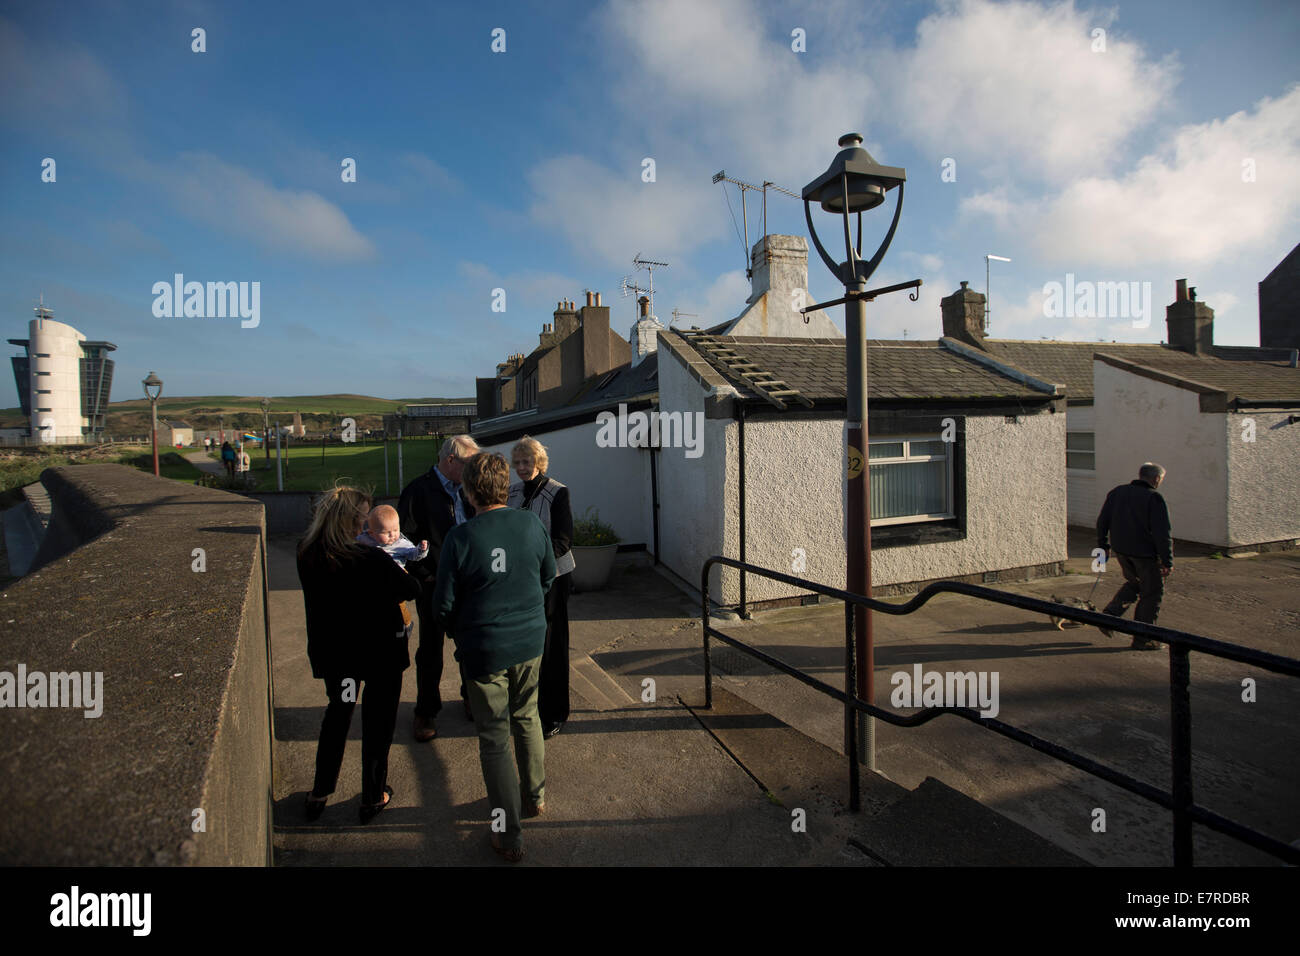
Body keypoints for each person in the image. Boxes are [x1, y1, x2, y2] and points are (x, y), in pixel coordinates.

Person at [433, 453, 555, 862]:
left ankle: (508, 834)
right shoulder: (532, 523)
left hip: (484, 650)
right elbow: (548, 577)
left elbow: (442, 606)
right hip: (531, 642)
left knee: (494, 739)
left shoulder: (461, 538)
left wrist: (459, 633)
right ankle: (534, 797)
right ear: (506, 486)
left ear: (468, 491)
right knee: (528, 716)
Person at [297, 486, 422, 823]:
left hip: (338, 657)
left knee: (338, 716)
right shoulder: (372, 560)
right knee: (378, 724)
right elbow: (411, 589)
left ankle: (319, 792)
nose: (368, 523)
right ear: (353, 521)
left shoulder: (307, 552)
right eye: (364, 516)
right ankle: (372, 796)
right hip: (380, 655)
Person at [397, 434, 479, 740]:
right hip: (434, 584)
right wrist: (425, 572)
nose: (474, 470)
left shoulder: (470, 490)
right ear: (450, 461)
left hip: (467, 584)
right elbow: (402, 539)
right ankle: (426, 711)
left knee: (469, 644)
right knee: (430, 650)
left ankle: (470, 698)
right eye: (469, 464)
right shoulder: (418, 491)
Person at [508, 436, 574, 737]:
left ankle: (554, 713)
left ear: (539, 462)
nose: (522, 467)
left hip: (553, 580)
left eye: (527, 462)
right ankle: (526, 707)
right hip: (520, 581)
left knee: (551, 645)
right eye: (518, 462)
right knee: (525, 647)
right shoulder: (511, 493)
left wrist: (535, 564)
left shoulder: (557, 492)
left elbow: (562, 540)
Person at [1096, 462, 1173, 650]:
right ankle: (1143, 638)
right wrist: (1167, 560)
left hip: (1122, 551)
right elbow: (1162, 533)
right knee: (1151, 594)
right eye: (1161, 479)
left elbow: (1102, 520)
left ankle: (1109, 618)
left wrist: (1103, 545)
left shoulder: (1117, 492)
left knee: (1134, 584)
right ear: (1156, 479)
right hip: (1144, 554)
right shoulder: (1154, 498)